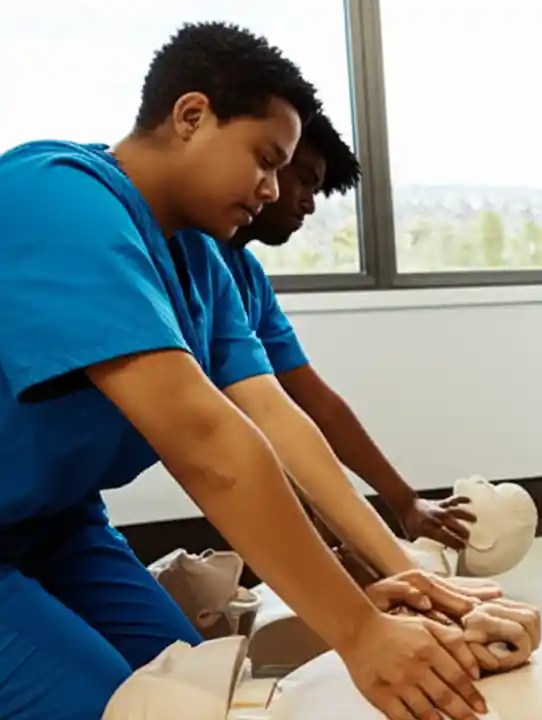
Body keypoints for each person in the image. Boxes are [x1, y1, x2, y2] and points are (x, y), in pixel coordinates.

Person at [0, 22, 486, 720]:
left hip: (58, 526)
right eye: (264, 159)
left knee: (198, 685)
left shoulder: (205, 261)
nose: (271, 187)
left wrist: (403, 572)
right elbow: (208, 446)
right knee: (117, 708)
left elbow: (276, 420)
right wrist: (359, 632)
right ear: (191, 116)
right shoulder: (56, 198)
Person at [208, 109, 476, 550]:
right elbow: (239, 433)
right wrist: (336, 540)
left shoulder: (248, 277)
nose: (309, 203)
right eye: (306, 180)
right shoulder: (191, 256)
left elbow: (316, 403)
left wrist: (404, 503)